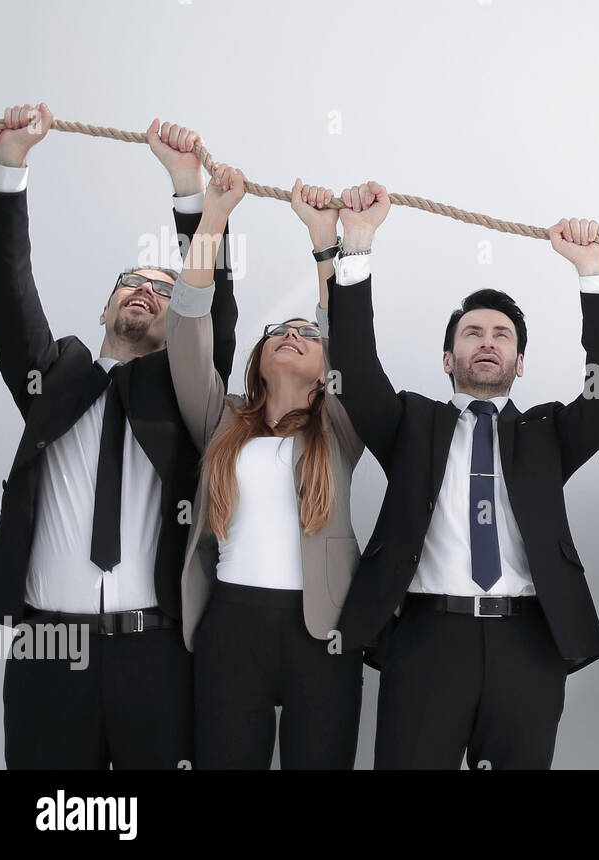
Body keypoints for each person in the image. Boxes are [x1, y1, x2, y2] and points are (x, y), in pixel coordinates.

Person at [328, 203, 599, 769]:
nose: (488, 342)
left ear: (520, 362)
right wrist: (360, 242)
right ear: (449, 358)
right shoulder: (409, 424)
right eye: (473, 333)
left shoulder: (548, 434)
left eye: (502, 335)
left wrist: (593, 272)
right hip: (425, 641)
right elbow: (353, 365)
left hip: (528, 644)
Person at [0, 104, 236, 768]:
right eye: (134, 282)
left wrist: (189, 191)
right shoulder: (54, 373)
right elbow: (8, 293)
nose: (148, 292)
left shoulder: (187, 394)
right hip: (46, 650)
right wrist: (10, 164)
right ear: (105, 306)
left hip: (155, 655)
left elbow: (214, 309)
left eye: (164, 288)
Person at [166, 172, 367, 768]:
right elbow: (185, 334)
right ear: (258, 357)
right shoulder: (221, 420)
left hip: (321, 629)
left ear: (326, 361)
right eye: (279, 330)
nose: (293, 335)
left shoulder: (341, 426)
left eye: (308, 333)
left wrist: (324, 246)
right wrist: (213, 220)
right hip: (232, 624)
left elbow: (346, 334)